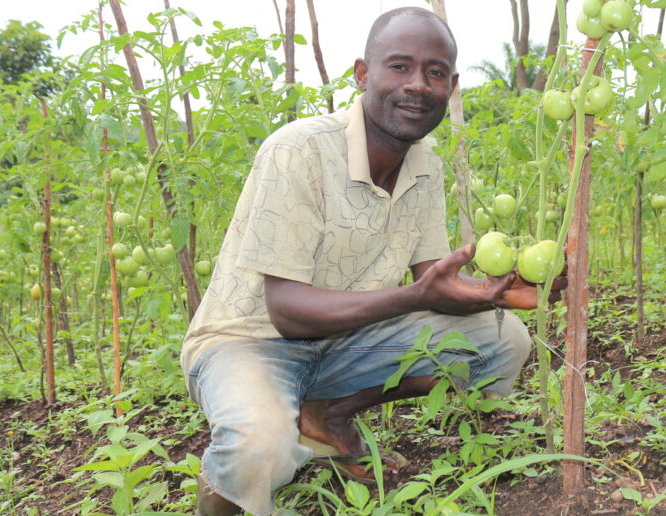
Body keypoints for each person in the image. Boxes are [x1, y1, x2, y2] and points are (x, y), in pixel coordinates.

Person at [182, 8, 561, 515]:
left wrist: (499, 290)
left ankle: (328, 412)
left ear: (452, 85)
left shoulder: (426, 166)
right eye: (400, 67)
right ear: (363, 74)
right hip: (249, 341)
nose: (418, 86)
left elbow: (432, 281)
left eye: (435, 73)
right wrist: (417, 296)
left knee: (502, 338)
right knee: (259, 447)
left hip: (346, 341)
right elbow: (287, 311)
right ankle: (226, 494)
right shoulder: (299, 149)